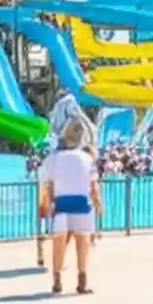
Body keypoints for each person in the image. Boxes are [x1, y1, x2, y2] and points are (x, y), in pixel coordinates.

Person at [39, 118, 103, 294]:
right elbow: (93, 187)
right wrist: (98, 204)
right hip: (82, 204)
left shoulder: (53, 159)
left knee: (59, 244)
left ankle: (57, 279)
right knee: (83, 244)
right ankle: (82, 281)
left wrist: (48, 205)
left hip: (61, 204)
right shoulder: (87, 159)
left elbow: (48, 186)